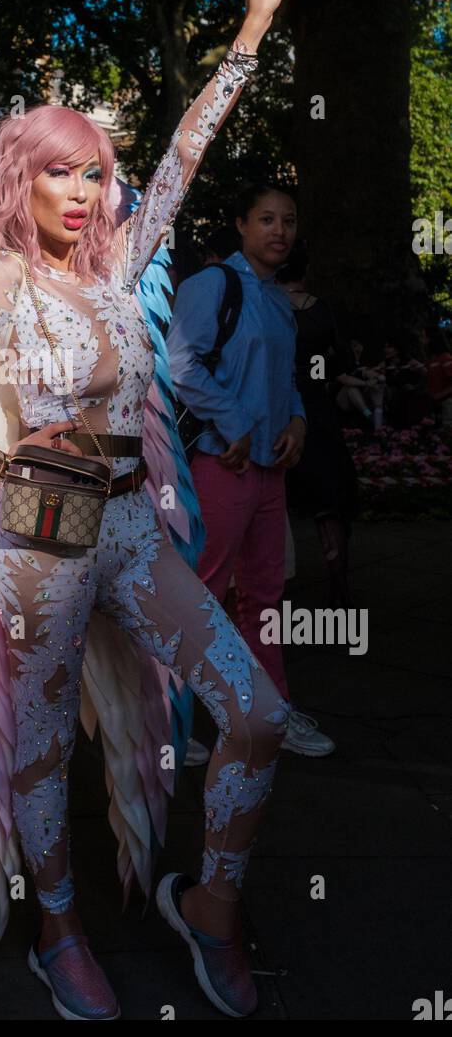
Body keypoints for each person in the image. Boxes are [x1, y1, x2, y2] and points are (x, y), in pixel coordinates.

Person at [0, 0, 293, 1020]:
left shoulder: (120, 262)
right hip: (33, 544)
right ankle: (57, 933)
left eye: (92, 169)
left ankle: (208, 903)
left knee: (248, 711)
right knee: (43, 744)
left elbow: (186, 158)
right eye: (57, 168)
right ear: (23, 177)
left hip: (128, 531)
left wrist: (246, 34)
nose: (79, 187)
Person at [167, 184, 335, 760]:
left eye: (288, 220)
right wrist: (235, 421)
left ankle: (271, 714)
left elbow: (287, 379)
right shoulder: (214, 285)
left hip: (268, 467)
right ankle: (173, 722)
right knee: (202, 592)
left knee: (265, 597)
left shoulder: (279, 301)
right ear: (241, 224)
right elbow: (181, 362)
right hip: (220, 462)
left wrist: (298, 421)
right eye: (266, 219)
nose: (279, 230)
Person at [276, 241, 359, 608]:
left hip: (276, 412)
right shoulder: (322, 310)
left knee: (270, 500)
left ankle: (265, 585)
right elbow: (343, 361)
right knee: (329, 504)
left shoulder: (269, 308)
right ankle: (338, 581)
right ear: (305, 271)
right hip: (319, 412)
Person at [425, 327, 452, 428]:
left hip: (447, 404)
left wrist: (440, 395)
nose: (423, 341)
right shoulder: (433, 360)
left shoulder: (446, 358)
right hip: (436, 405)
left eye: (425, 337)